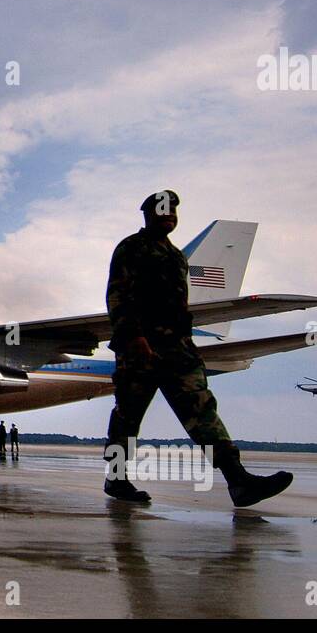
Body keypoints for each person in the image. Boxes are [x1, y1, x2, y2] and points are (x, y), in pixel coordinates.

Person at [103, 190, 293, 507]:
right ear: (147, 214)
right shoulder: (131, 249)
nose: (169, 215)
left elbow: (179, 307)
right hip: (141, 350)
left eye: (173, 211)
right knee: (127, 418)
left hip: (178, 350)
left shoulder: (177, 257)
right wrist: (133, 338)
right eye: (162, 210)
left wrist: (187, 342)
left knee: (203, 411)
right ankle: (117, 478)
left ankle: (238, 480)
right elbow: (117, 297)